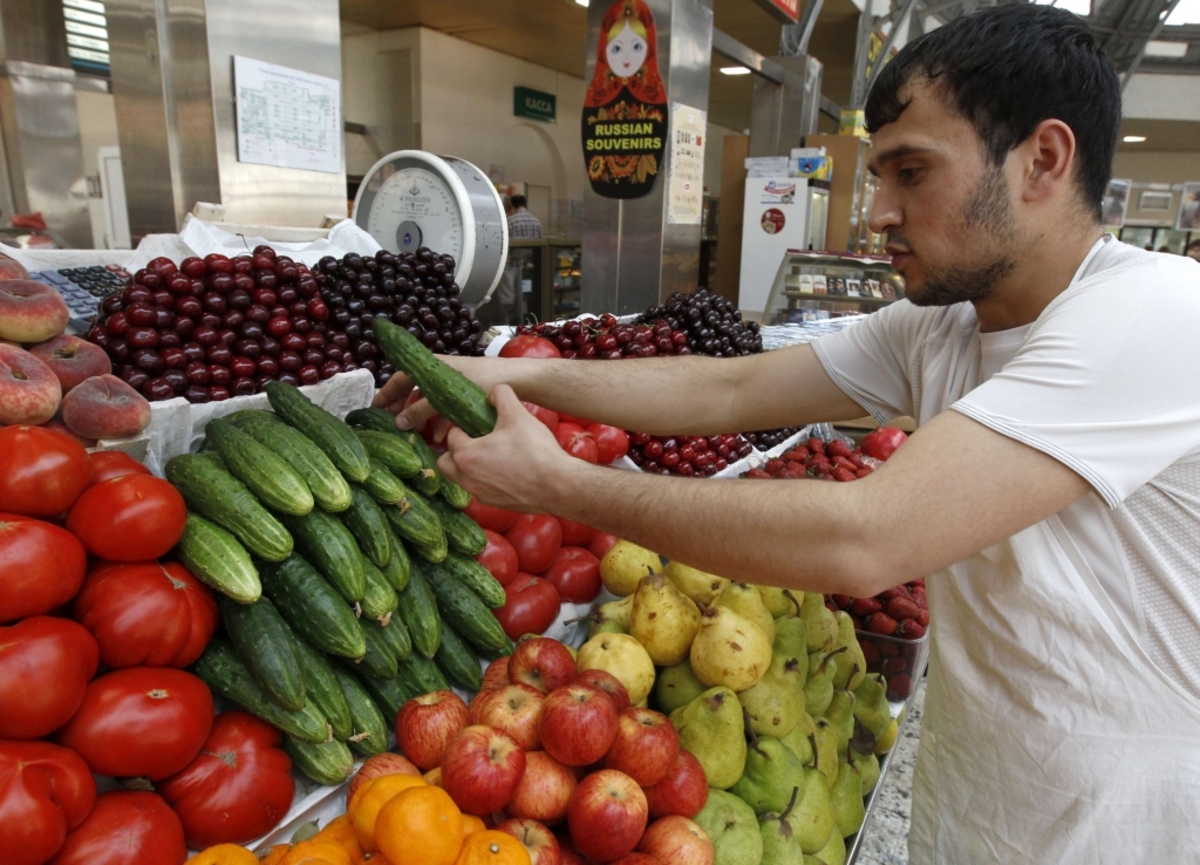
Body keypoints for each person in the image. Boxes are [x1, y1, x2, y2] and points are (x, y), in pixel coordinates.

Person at [376, 5, 1200, 862]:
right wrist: (519, 369)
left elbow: (867, 536)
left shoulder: (1151, 315)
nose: (878, 211)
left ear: (1045, 161)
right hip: (979, 795)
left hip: (1124, 826)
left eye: (911, 172)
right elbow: (732, 385)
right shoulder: (944, 325)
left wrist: (561, 483)